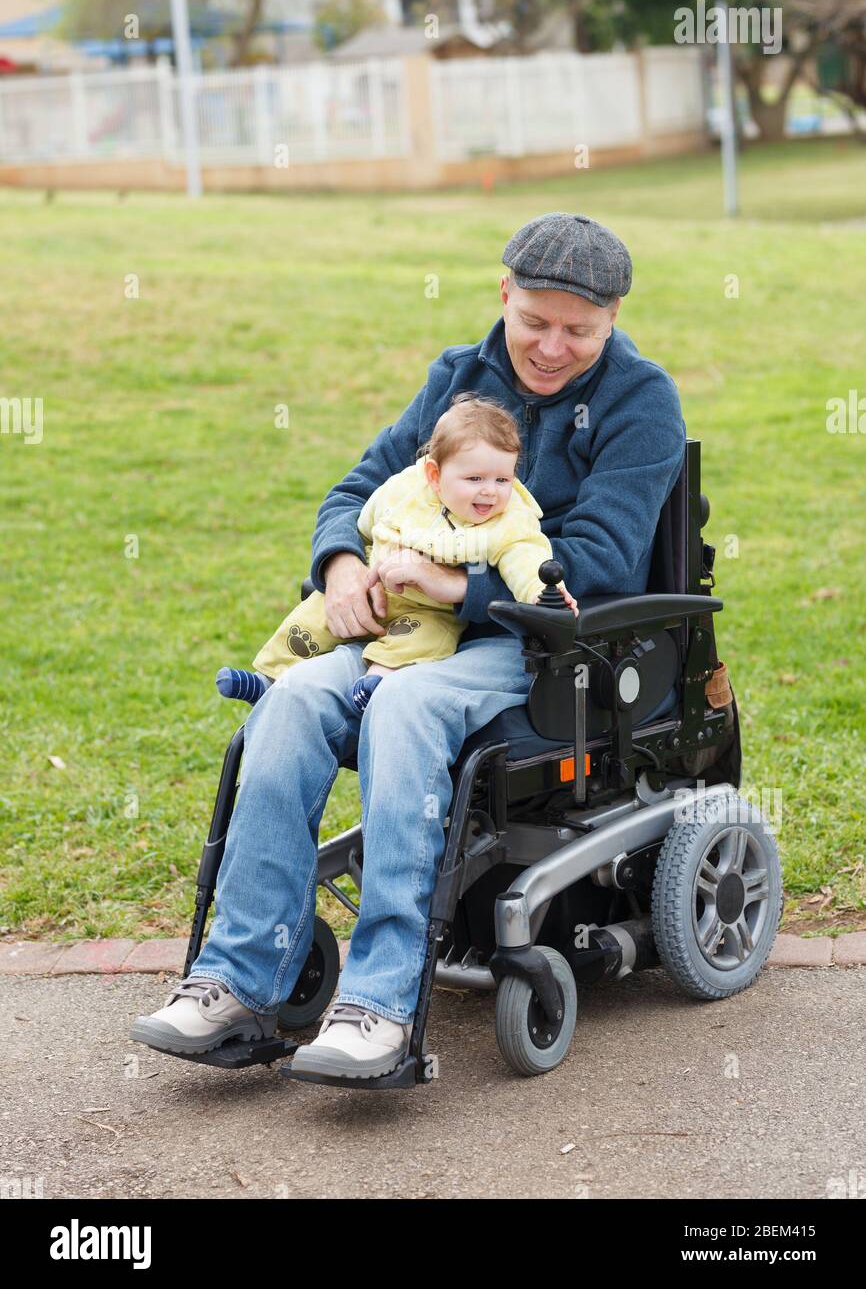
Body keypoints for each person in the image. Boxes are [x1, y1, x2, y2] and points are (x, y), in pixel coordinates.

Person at [130, 211, 686, 1082]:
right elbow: (358, 485)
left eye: (578, 331)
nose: (550, 347)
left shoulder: (639, 400)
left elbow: (607, 559)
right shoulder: (460, 380)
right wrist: (344, 563)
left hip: (546, 649)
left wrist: (457, 588)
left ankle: (380, 1003)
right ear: (504, 293)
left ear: (613, 318)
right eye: (534, 321)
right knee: (294, 701)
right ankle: (237, 981)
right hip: (405, 634)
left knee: (404, 707)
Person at [214, 394, 579, 714]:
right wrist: (347, 561)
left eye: (502, 480)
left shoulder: (509, 520)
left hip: (430, 609)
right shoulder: (408, 488)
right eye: (475, 480)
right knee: (312, 617)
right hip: (376, 588)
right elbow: (368, 514)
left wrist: (542, 593)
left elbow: (526, 559)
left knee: (422, 641)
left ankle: (374, 684)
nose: (490, 493)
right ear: (435, 475)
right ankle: (267, 677)